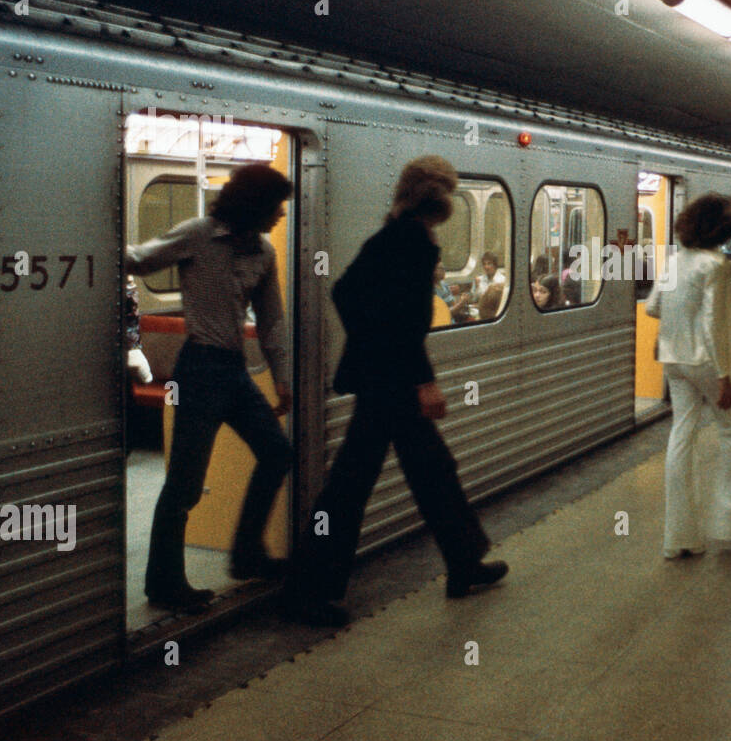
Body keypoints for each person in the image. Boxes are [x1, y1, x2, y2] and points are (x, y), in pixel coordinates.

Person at [283, 155, 505, 627]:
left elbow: (346, 292)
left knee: (427, 472)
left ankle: (463, 563)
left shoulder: (394, 235)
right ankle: (310, 590)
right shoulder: (411, 242)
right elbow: (403, 323)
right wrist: (421, 380)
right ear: (438, 198)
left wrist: (368, 347)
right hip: (395, 383)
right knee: (355, 484)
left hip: (385, 378)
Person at [125, 164, 294, 613]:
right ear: (255, 204)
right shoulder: (199, 234)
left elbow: (273, 319)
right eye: (276, 205)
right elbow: (140, 259)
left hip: (234, 371)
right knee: (185, 482)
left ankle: (246, 554)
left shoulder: (262, 253)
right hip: (198, 368)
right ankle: (164, 583)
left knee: (278, 452)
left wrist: (281, 375)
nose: (280, 214)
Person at [644, 193, 731, 559]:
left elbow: (654, 306)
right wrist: (724, 375)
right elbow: (713, 325)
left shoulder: (675, 260)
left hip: (673, 361)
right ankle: (730, 525)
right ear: (721, 228)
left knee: (682, 435)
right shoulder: (716, 265)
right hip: (704, 362)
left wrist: (666, 339)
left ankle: (679, 537)